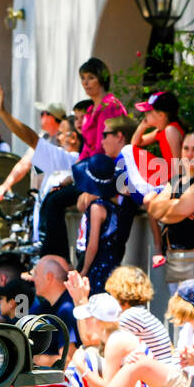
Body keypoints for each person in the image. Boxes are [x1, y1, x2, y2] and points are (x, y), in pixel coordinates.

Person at [0, 86, 82, 250]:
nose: (59, 138)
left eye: (62, 133)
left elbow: (30, 138)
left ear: (73, 137)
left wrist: (4, 113)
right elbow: (25, 161)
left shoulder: (69, 159)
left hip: (58, 244)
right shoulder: (65, 156)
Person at [143, 128, 194, 287]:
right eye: (186, 148)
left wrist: (171, 208)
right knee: (175, 309)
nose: (189, 154)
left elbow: (178, 210)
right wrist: (177, 207)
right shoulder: (176, 180)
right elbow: (153, 208)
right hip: (174, 257)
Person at [74, 116, 139, 291]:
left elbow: (93, 244)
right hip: (107, 260)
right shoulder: (111, 202)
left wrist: (84, 269)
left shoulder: (98, 207)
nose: (101, 140)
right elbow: (82, 203)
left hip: (103, 261)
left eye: (105, 135)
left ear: (119, 136)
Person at [0, 102, 66, 202]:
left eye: (42, 113)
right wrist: (6, 184)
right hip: (40, 200)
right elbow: (24, 163)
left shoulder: (66, 141)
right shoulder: (43, 138)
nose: (41, 117)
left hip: (60, 203)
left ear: (51, 117)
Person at [130, 90, 184, 189]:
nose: (145, 114)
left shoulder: (171, 130)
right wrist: (143, 126)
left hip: (174, 179)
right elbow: (135, 143)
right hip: (168, 176)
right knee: (129, 150)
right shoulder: (160, 130)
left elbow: (178, 161)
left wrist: (177, 187)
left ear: (161, 115)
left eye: (148, 112)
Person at [76, 57, 127, 158]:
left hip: (107, 166)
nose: (85, 83)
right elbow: (86, 148)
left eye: (91, 78)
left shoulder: (108, 106)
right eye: (83, 78)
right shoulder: (90, 110)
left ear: (101, 79)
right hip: (93, 163)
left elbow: (101, 148)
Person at [30, 255, 78, 358]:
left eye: (36, 274)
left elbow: (69, 358)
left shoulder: (67, 308)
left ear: (49, 277)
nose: (33, 279)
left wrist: (43, 360)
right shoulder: (44, 308)